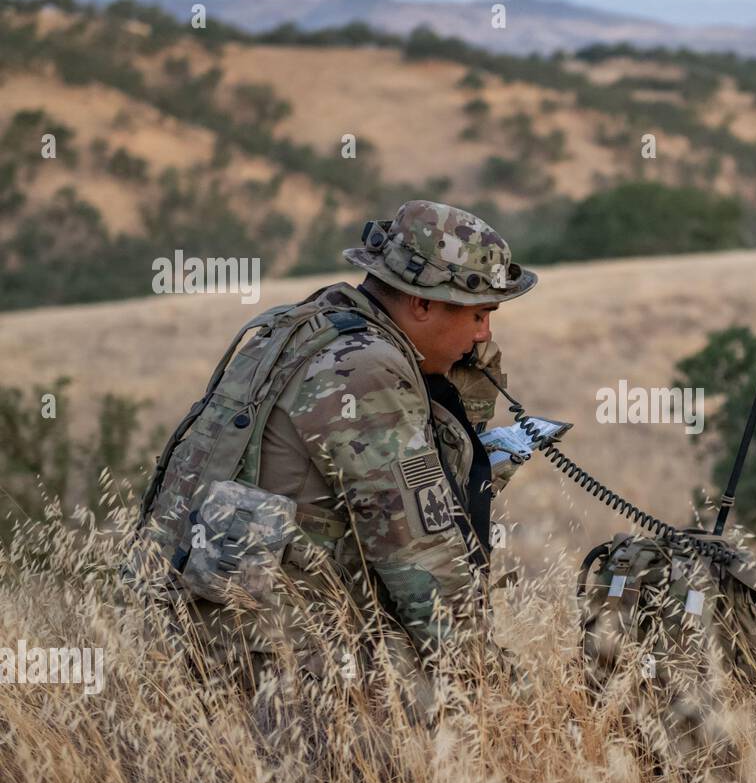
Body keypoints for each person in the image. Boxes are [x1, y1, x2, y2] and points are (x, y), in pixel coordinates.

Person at [131, 200, 536, 726]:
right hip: (282, 659)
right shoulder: (364, 368)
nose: (484, 334)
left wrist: (468, 380)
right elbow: (422, 560)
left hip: (216, 629)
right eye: (478, 315)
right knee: (434, 734)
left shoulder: (314, 327)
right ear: (420, 303)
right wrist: (501, 695)